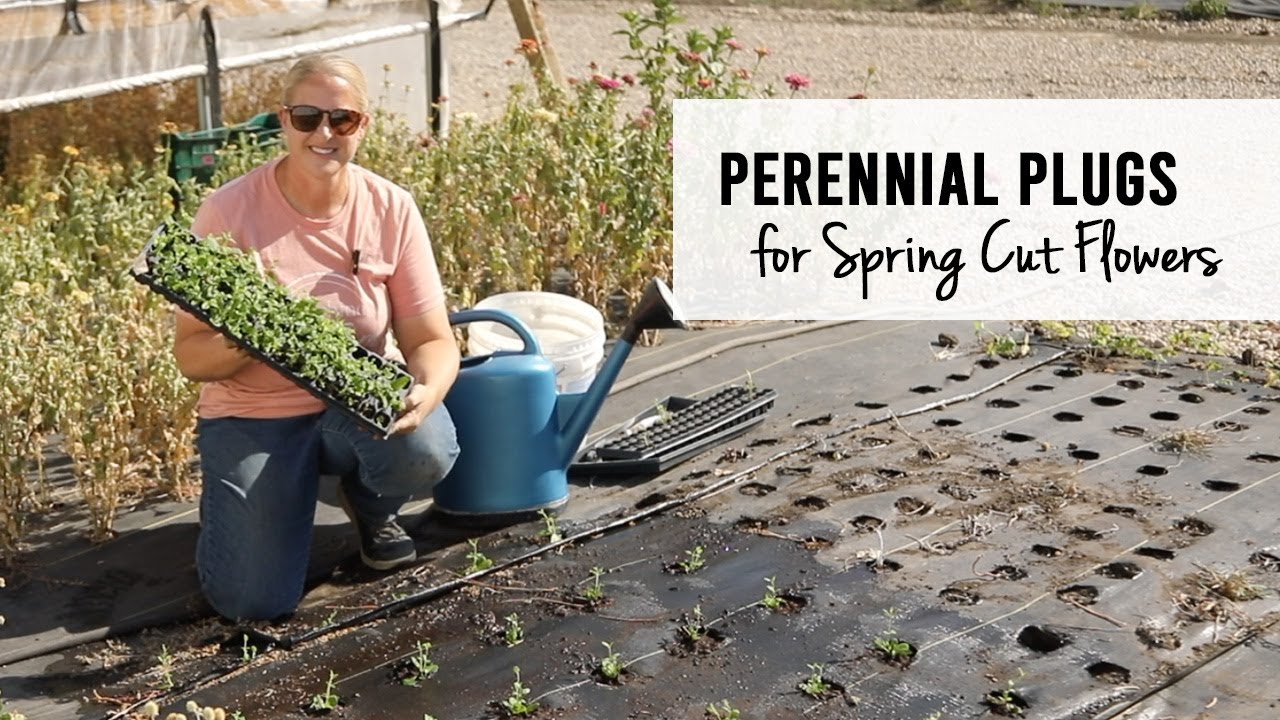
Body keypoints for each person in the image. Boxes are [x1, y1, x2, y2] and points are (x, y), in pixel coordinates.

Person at [172, 55, 460, 622]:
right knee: (254, 601)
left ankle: (372, 508)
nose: (323, 133)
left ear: (363, 126)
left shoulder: (390, 208)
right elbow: (191, 356)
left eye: (341, 120)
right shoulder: (227, 210)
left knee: (424, 449)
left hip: (350, 398)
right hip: (252, 414)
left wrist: (429, 393)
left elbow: (431, 339)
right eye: (306, 118)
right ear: (283, 121)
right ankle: (245, 504)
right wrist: (251, 336)